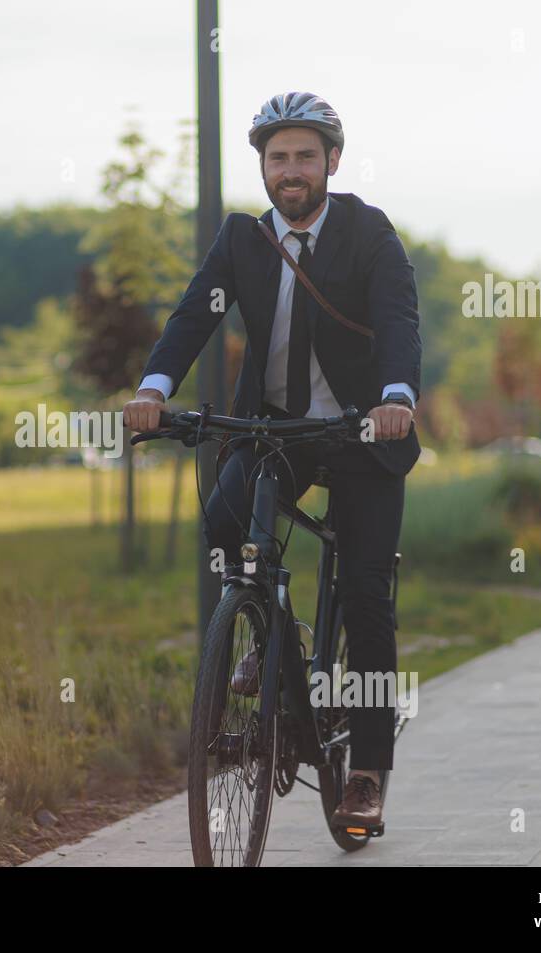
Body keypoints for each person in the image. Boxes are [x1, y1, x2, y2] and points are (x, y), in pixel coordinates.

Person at [121, 92, 422, 832]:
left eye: (305, 157)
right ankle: (266, 635)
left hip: (360, 434)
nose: (291, 171)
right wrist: (154, 389)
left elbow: (397, 319)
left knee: (365, 598)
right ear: (263, 165)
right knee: (225, 517)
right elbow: (195, 315)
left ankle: (366, 774)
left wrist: (396, 395)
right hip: (276, 428)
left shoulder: (368, 232)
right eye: (277, 157)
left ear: (332, 163)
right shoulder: (241, 240)